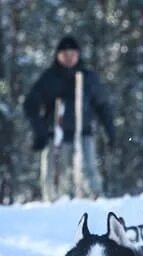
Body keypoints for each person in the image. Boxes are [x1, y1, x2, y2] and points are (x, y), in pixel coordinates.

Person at [23, 35, 116, 201]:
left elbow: (103, 106)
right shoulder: (49, 78)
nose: (69, 58)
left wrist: (110, 132)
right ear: (58, 55)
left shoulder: (88, 78)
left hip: (83, 133)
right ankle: (53, 203)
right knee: (55, 173)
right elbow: (30, 104)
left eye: (72, 54)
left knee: (89, 170)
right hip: (56, 135)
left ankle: (95, 201)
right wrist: (40, 131)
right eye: (65, 54)